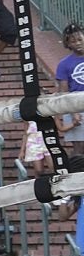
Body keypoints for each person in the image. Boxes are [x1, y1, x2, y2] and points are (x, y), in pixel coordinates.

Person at [56, 23, 84, 157]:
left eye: (80, 39)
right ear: (68, 43)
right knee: (79, 149)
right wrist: (73, 113)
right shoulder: (64, 64)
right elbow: (64, 91)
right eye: (73, 41)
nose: (78, 43)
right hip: (75, 106)